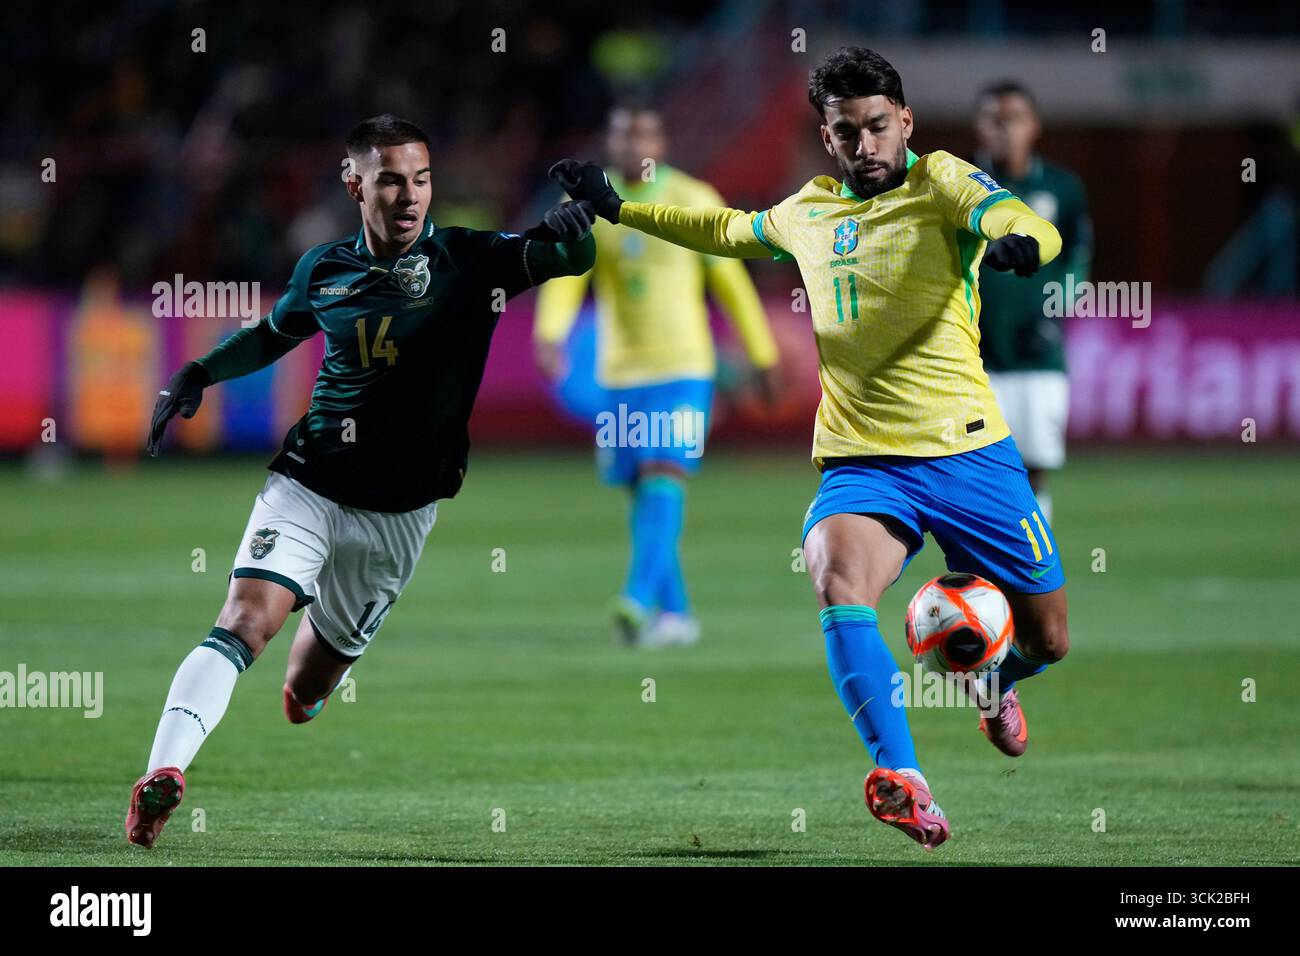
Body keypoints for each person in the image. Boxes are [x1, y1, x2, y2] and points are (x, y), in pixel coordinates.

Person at [550, 47, 1070, 850]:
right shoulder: (809, 210)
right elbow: (725, 229)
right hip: (863, 459)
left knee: (1049, 639)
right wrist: (617, 208)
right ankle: (904, 777)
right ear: (827, 138)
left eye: (877, 126)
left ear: (905, 121)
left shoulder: (944, 182)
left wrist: (1024, 243)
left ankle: (995, 679)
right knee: (836, 578)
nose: (865, 144)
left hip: (970, 450)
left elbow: (1024, 219)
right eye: (846, 132)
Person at [126, 114, 596, 848]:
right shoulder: (324, 269)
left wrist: (577, 227)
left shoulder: (471, 259)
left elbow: (566, 257)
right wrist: (199, 372)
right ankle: (163, 774)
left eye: (422, 180)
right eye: (391, 181)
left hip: (397, 516)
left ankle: (307, 689)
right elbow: (274, 333)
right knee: (245, 621)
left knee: (308, 686)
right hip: (311, 482)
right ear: (355, 185)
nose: (409, 196)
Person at [534, 104, 779, 648]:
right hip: (621, 373)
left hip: (685, 367)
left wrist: (761, 355)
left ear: (662, 144)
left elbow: (730, 281)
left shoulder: (693, 199)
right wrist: (550, 334)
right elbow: (568, 275)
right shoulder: (586, 205)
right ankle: (677, 614)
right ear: (611, 144)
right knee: (639, 489)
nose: (634, 144)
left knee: (664, 470)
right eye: (624, 135)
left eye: (644, 134)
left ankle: (638, 598)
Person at [973, 80, 1092, 522]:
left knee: (1034, 471)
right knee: (976, 475)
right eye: (994, 120)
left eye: (1015, 119)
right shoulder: (960, 186)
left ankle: (1035, 558)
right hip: (972, 355)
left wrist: (1053, 314)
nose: (1005, 130)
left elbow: (1078, 260)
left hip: (1037, 353)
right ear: (979, 126)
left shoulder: (1063, 188)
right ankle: (982, 559)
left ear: (1034, 126)